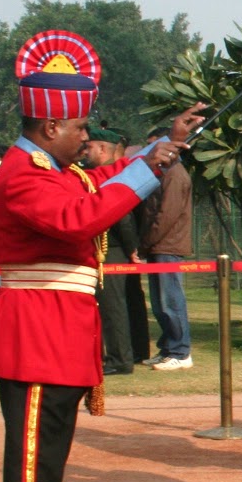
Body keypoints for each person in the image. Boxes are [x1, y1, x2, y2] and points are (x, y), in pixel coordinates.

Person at [0, 29, 191, 482]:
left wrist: (155, 154)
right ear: (50, 128)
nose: (87, 138)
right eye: (79, 129)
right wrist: (143, 169)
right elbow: (85, 215)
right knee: (33, 479)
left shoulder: (47, 168)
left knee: (46, 475)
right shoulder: (23, 176)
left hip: (54, 335)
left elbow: (96, 189)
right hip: (36, 338)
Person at [83, 127, 140, 375]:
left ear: (103, 148)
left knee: (112, 307)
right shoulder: (98, 174)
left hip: (112, 249)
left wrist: (132, 248)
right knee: (120, 304)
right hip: (108, 248)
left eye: (90, 147)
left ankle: (119, 359)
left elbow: (122, 217)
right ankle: (127, 353)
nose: (86, 152)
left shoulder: (109, 177)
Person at [138, 132, 194, 370]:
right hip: (158, 245)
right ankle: (169, 348)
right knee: (161, 302)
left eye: (154, 147)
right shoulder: (163, 174)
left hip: (167, 245)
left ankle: (181, 353)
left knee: (171, 300)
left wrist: (145, 242)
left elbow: (166, 216)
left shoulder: (174, 176)